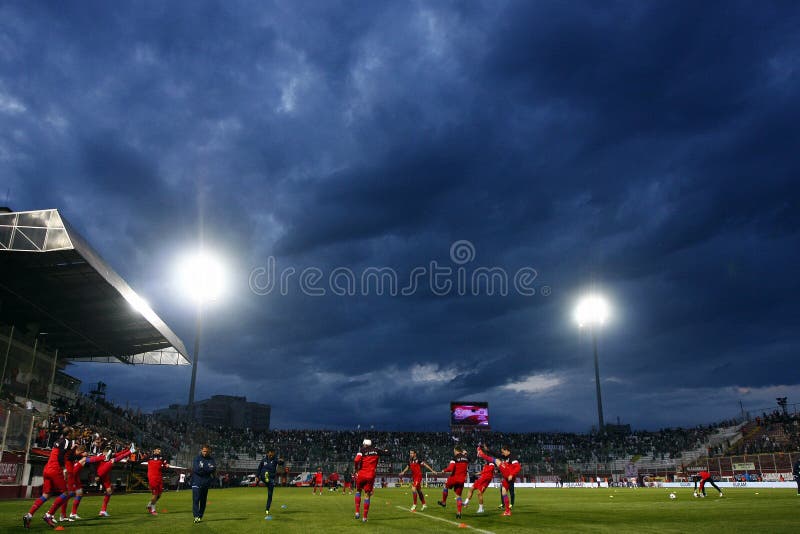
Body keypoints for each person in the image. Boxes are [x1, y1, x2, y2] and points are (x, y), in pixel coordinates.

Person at [23, 427, 75, 528]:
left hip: (47, 469)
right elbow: (61, 456)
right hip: (55, 470)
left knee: (46, 495)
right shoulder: (67, 441)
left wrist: (72, 451)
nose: (74, 434)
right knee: (66, 493)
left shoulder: (58, 441)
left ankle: (29, 515)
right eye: (73, 432)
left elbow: (63, 455)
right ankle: (49, 515)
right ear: (69, 433)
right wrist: (64, 469)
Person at [86, 441, 136, 517]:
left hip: (105, 475)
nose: (109, 454)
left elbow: (119, 454)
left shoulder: (108, 456)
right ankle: (131, 451)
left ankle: (103, 511)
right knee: (113, 460)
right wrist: (96, 475)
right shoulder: (100, 456)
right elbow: (92, 464)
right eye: (108, 452)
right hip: (100, 473)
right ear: (104, 452)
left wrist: (127, 449)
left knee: (109, 491)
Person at [353, 438, 391, 522]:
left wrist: (356, 469)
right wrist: (387, 449)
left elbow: (356, 460)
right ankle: (364, 518)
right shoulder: (376, 450)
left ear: (364, 444)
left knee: (358, 491)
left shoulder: (362, 450)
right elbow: (388, 453)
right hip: (371, 475)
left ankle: (357, 512)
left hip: (362, 474)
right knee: (367, 495)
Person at [477, 444, 520, 516]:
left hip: (509, 475)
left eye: (503, 452)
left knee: (497, 461)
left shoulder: (513, 457)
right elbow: (496, 454)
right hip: (506, 477)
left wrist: (511, 474)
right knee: (503, 492)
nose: (502, 453)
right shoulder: (505, 456)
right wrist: (488, 450)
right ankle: (507, 511)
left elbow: (518, 467)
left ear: (507, 450)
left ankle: (482, 455)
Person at [437, 446, 469, 519]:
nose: (454, 452)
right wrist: (465, 454)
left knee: (445, 486)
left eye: (454, 451)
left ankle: (444, 502)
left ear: (456, 451)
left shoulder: (454, 458)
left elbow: (450, 468)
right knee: (458, 496)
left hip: (454, 478)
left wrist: (444, 470)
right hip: (462, 480)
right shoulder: (466, 459)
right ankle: (459, 513)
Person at [192, 444, 217, 523]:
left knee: (203, 501)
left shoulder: (211, 459)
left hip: (206, 483)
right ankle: (196, 516)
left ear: (209, 451)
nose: (205, 453)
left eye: (206, 451)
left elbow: (213, 469)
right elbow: (196, 469)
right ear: (201, 450)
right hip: (196, 481)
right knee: (196, 499)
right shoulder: (197, 458)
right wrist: (207, 470)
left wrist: (203, 469)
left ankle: (200, 516)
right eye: (204, 451)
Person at [256, 449, 284, 519]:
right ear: (268, 453)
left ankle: (267, 509)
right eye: (270, 453)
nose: (271, 455)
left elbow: (280, 463)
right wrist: (257, 476)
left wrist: (281, 461)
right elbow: (259, 468)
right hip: (263, 475)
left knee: (270, 495)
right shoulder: (264, 460)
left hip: (271, 479)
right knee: (265, 473)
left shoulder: (275, 460)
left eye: (273, 454)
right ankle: (266, 477)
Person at [142, 447, 170, 515]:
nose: (159, 451)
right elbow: (140, 461)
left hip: (159, 477)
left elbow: (165, 464)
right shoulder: (149, 457)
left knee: (159, 495)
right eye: (158, 449)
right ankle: (153, 510)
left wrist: (167, 465)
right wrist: (131, 461)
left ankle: (149, 505)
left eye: (160, 449)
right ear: (154, 450)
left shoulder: (162, 457)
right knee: (155, 494)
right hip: (152, 477)